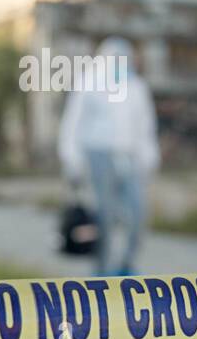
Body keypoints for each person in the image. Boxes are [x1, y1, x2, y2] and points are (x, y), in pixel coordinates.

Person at [57, 37, 160, 276]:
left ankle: (126, 266)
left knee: (137, 215)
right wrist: (72, 159)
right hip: (97, 157)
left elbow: (145, 127)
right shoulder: (89, 83)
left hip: (129, 157)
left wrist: (149, 158)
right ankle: (101, 274)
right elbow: (73, 124)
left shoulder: (137, 87)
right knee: (103, 219)